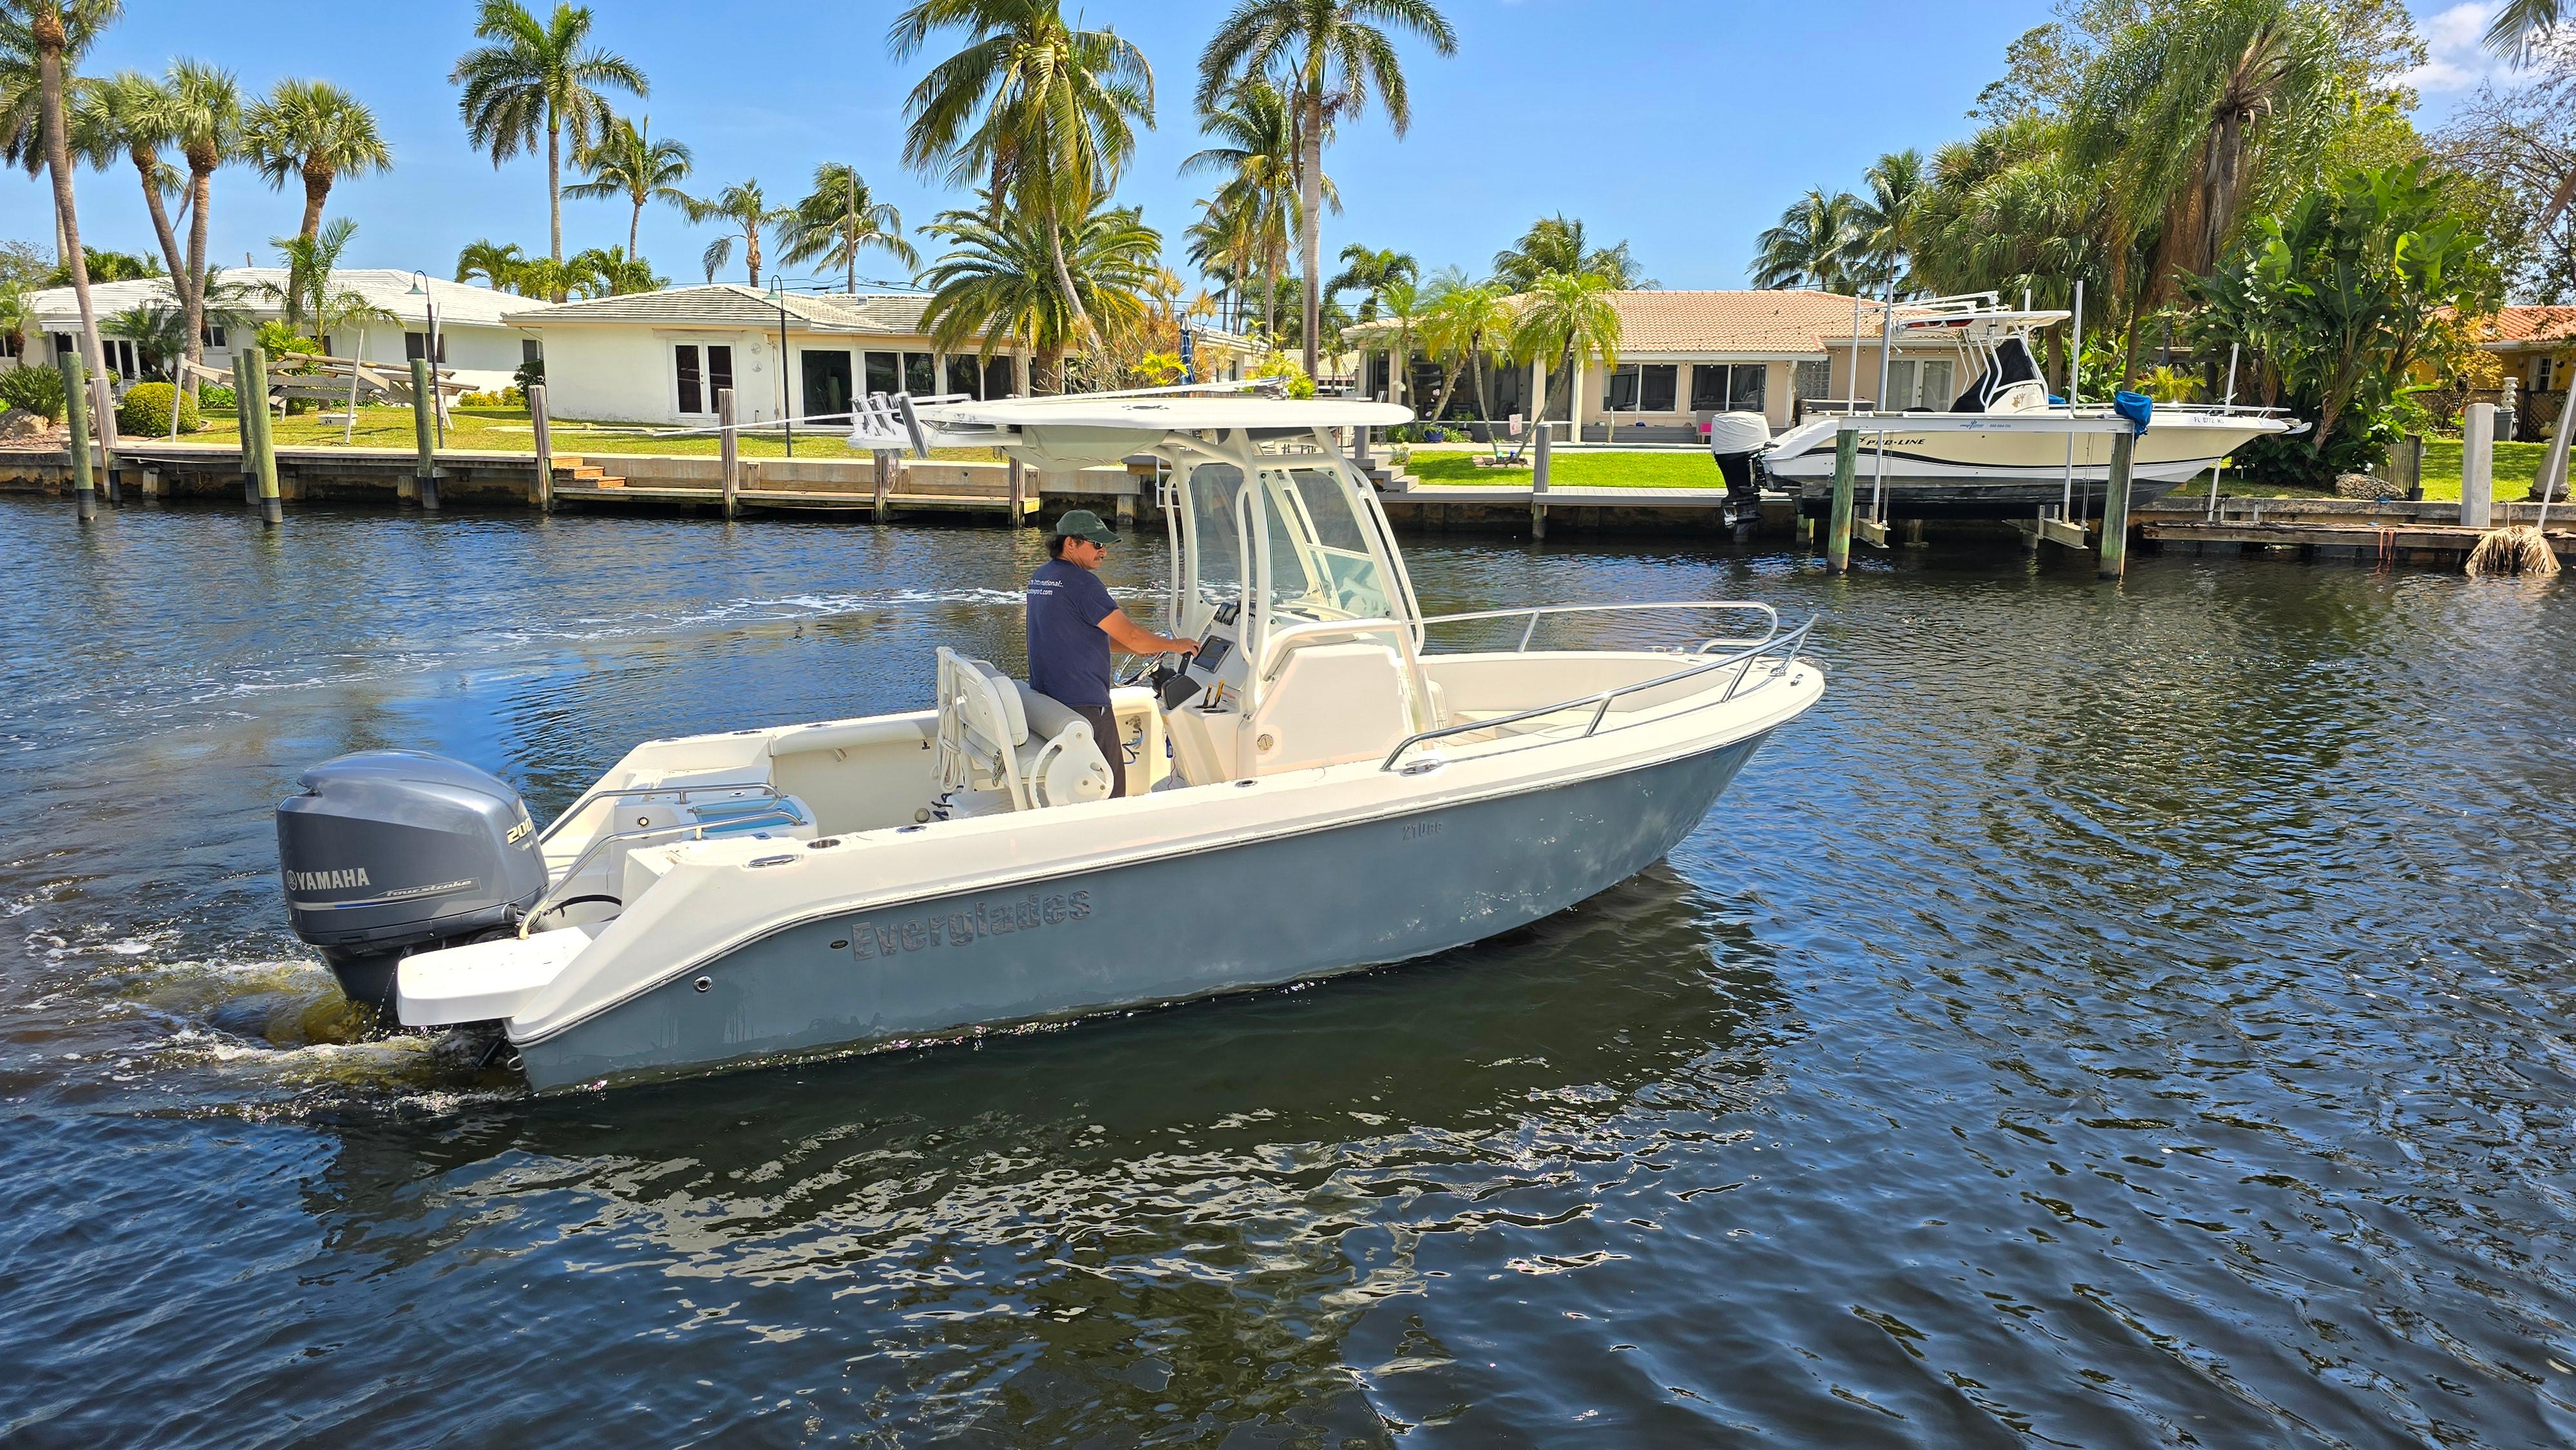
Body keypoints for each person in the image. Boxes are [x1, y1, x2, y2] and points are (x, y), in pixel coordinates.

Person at [1026, 509, 1198, 798]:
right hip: (1084, 705)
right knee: (1112, 787)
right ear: (1070, 543)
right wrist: (1176, 645)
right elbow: (1132, 634)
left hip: (1050, 701)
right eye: (1096, 544)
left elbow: (1085, 634)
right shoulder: (1084, 584)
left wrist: (1139, 648)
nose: (1103, 551)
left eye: (1105, 545)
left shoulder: (1041, 578)